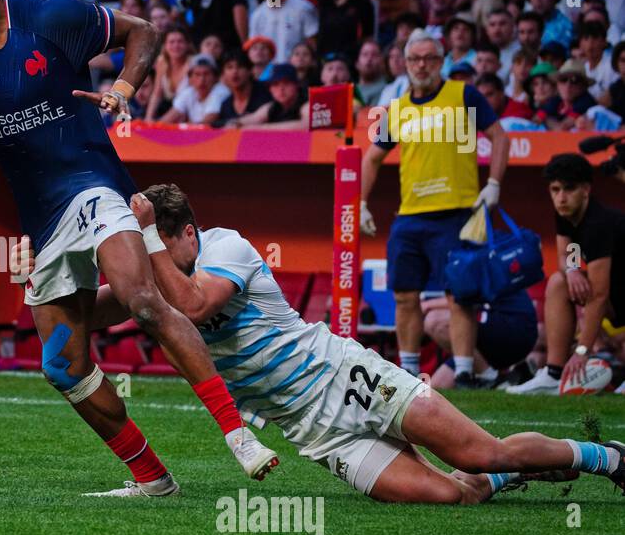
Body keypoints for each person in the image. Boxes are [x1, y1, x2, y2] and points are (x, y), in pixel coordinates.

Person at [0, 0, 279, 498]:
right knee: (63, 364)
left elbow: (144, 31)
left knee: (142, 300)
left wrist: (123, 89)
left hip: (95, 186)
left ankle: (239, 435)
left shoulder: (51, 16)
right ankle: (153, 479)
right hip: (43, 220)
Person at [55, 183, 623, 503]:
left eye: (160, 242)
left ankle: (606, 458)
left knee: (479, 452)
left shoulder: (226, 246)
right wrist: (50, 292)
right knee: (457, 496)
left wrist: (147, 237)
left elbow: (197, 303)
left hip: (348, 379)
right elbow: (92, 312)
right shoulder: (156, 278)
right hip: (313, 430)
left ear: (186, 232)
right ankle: (505, 476)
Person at [361, 30, 511, 390]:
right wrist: (362, 203)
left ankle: (465, 372)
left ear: (440, 62)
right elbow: (372, 157)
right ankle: (409, 371)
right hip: (410, 215)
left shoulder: (464, 94)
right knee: (404, 294)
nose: (422, 65)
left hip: (457, 211)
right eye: (415, 59)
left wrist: (493, 184)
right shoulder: (397, 108)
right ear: (406, 63)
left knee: (459, 295)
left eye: (429, 58)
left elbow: (500, 137)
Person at [509, 154, 625, 395]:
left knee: (588, 287)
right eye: (555, 189)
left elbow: (600, 296)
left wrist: (582, 351)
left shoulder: (598, 224)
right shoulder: (567, 215)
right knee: (559, 282)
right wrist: (572, 270)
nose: (561, 197)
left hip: (614, 299)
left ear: (585, 189)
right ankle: (554, 374)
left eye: (569, 189)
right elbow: (565, 255)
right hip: (616, 299)